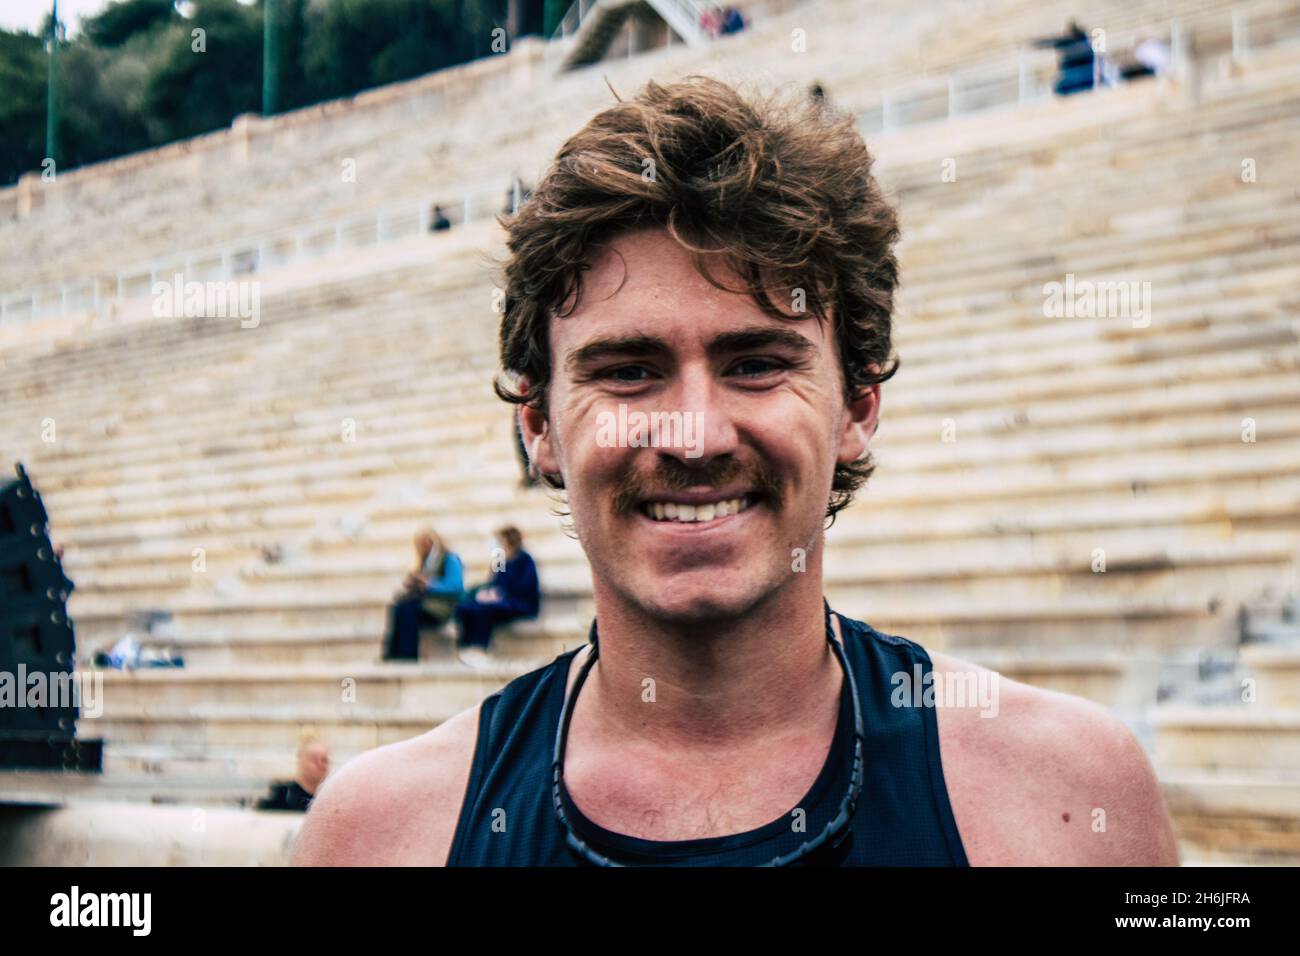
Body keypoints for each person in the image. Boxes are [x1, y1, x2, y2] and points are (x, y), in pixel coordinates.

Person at [294, 77, 1180, 866]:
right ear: (540, 427)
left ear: (857, 406)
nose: (694, 436)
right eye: (628, 371)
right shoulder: (377, 835)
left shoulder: (1068, 801)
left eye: (756, 362)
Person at [452, 526, 539, 658]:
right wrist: (488, 593)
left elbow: (524, 587)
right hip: (499, 600)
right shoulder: (500, 558)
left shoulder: (524, 560)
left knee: (484, 610)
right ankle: (465, 646)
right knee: (465, 607)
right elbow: (493, 583)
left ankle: (479, 647)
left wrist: (499, 595)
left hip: (519, 602)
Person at [383, 528, 464, 661]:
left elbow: (456, 586)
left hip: (441, 607)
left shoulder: (449, 558)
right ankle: (394, 653)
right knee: (398, 608)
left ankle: (407, 655)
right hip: (426, 603)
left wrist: (429, 584)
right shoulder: (425, 561)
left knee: (408, 611)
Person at [257, 736, 330, 812]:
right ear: (301, 761)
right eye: (314, 759)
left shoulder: (330, 798)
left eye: (324, 760)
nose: (320, 764)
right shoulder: (280, 797)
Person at [1032, 20, 1096, 96]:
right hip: (1081, 78)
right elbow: (1049, 42)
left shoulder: (1081, 44)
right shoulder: (1080, 43)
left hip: (1081, 77)